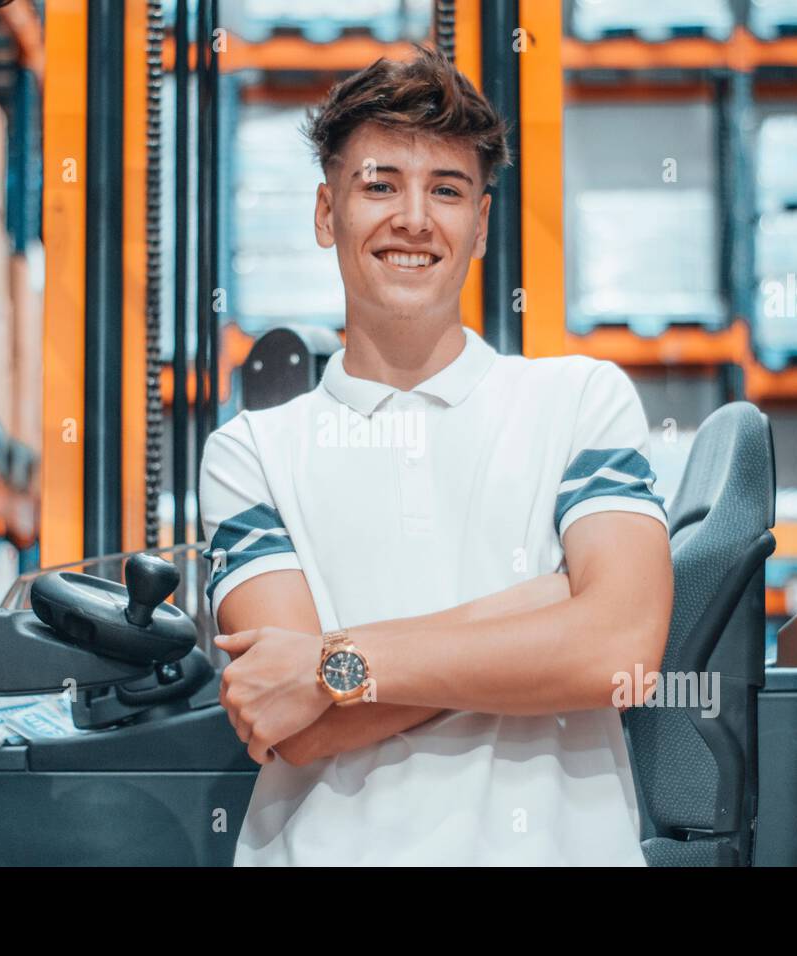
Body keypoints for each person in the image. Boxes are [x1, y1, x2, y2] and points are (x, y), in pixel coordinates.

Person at [199, 44, 673, 866]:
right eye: (379, 184)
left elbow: (618, 650)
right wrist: (538, 608)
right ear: (325, 212)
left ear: (481, 224)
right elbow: (299, 726)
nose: (413, 218)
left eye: (446, 190)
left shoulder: (580, 401)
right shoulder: (250, 454)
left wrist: (330, 663)